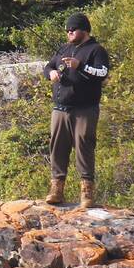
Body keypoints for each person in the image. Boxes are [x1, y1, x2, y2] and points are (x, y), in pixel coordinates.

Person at [43, 12, 110, 209]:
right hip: (60, 109)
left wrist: (80, 66)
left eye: (73, 29)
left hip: (85, 110)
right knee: (57, 147)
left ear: (84, 30)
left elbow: (102, 73)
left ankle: (87, 192)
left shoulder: (96, 50)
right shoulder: (64, 49)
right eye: (67, 30)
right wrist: (52, 73)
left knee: (84, 146)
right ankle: (56, 190)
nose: (69, 32)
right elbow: (47, 67)